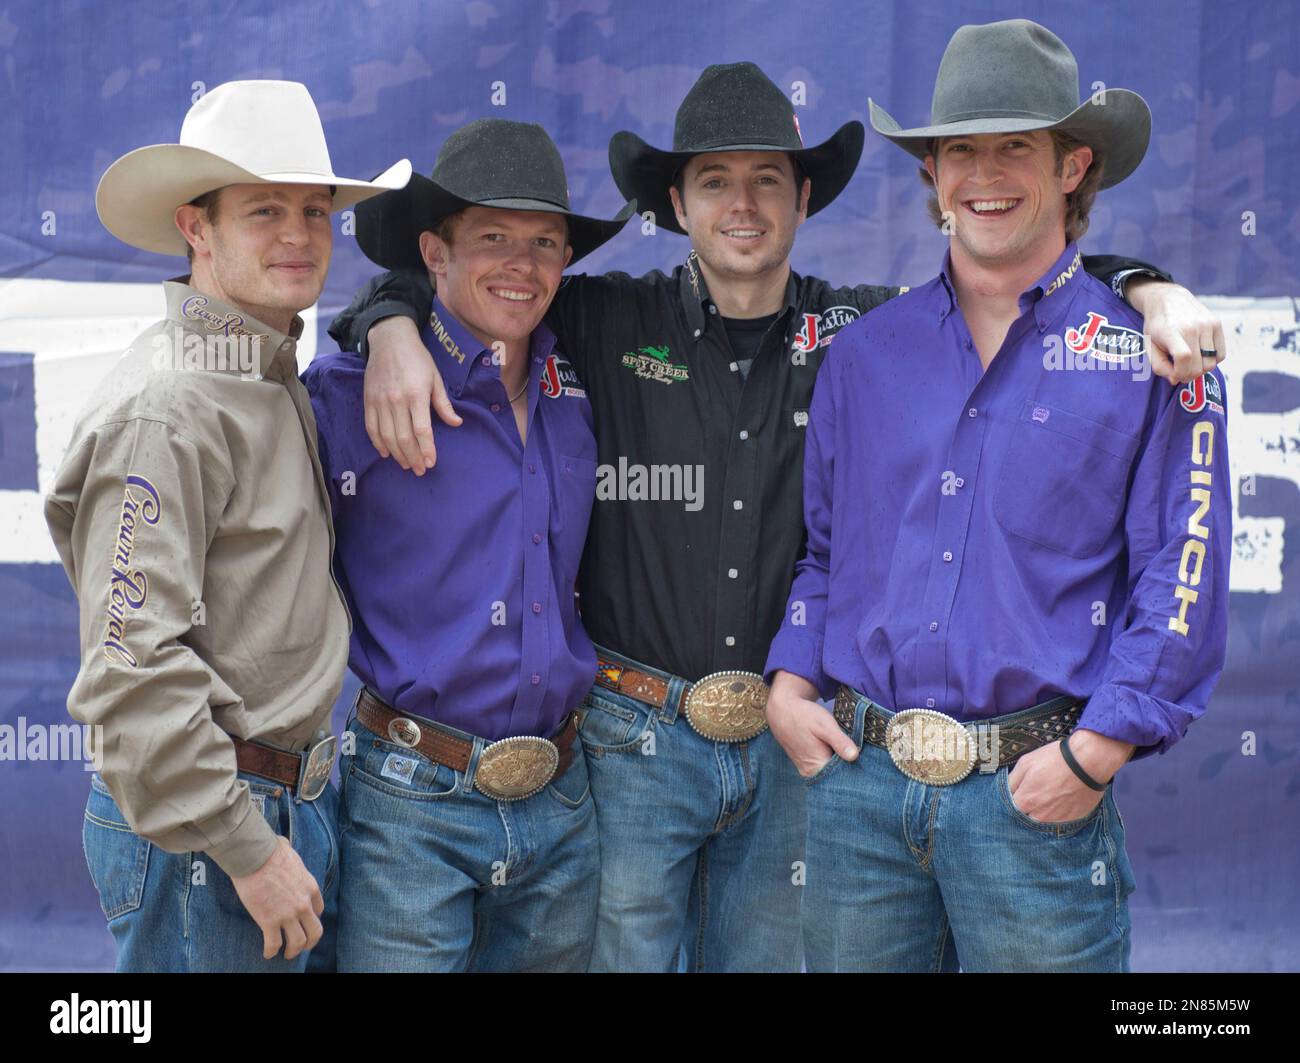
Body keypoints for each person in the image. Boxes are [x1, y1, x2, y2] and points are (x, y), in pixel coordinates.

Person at [331, 63, 1224, 972]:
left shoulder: (860, 333)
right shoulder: (601, 319)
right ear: (676, 204)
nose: (742, 205)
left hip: (791, 744)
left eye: (767, 180)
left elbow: (1011, 277)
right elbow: (474, 294)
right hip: (630, 739)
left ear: (804, 200)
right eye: (715, 181)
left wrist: (1142, 285)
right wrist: (390, 323)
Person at [765, 18, 1231, 972]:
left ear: (1073, 166)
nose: (984, 173)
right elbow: (826, 553)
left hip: (1035, 796)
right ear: (933, 175)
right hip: (859, 791)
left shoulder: (1155, 355)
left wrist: (1091, 755)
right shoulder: (863, 355)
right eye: (960, 150)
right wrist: (789, 682)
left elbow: (1183, 577)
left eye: (1016, 144)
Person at [44, 80, 409, 972]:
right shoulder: (171, 407)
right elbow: (132, 672)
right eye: (263, 210)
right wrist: (246, 847)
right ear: (197, 229)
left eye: (316, 210)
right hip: (213, 832)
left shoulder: (265, 368)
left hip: (273, 804)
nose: (298, 233)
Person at [303, 119, 633, 971]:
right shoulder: (349, 399)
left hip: (562, 800)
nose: (522, 265)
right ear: (434, 254)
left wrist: (387, 319)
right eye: (493, 237)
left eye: (545, 243)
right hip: (412, 803)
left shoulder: (580, 385)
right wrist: (384, 326)